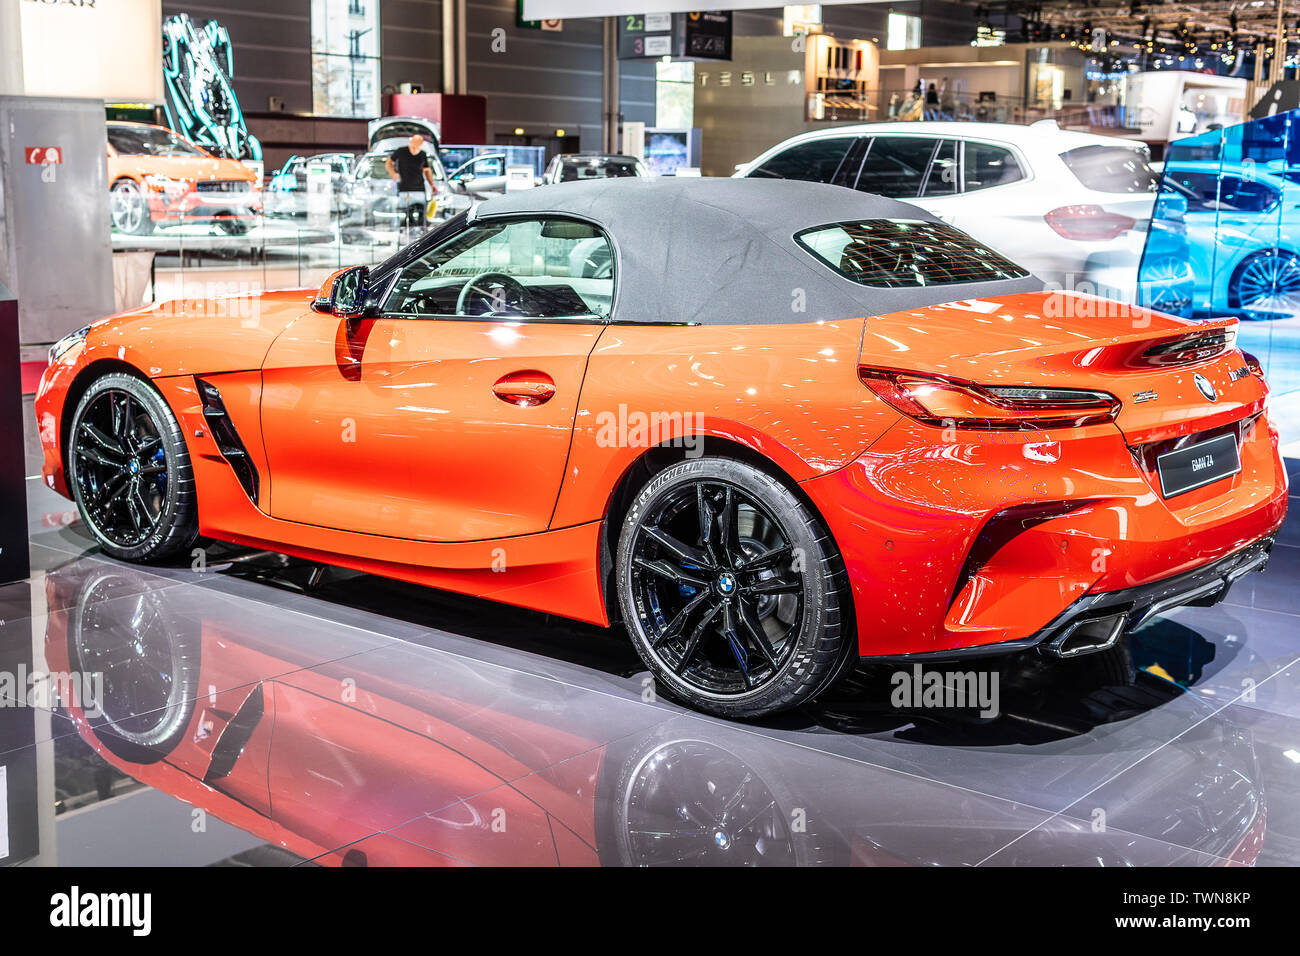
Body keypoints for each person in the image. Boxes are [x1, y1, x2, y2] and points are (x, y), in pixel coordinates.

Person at [386, 134, 434, 228]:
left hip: (419, 189)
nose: (416, 144)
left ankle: (421, 232)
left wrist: (432, 185)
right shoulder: (401, 151)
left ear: (421, 144)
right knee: (406, 214)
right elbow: (389, 162)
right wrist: (393, 174)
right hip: (404, 189)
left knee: (422, 216)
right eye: (415, 141)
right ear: (411, 141)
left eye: (418, 142)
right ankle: (404, 230)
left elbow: (427, 170)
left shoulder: (422, 154)